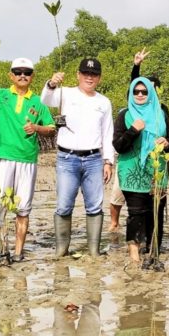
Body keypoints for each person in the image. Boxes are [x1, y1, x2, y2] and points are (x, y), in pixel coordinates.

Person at [0, 58, 55, 262]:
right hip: (2, 158)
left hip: (27, 160)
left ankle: (17, 253)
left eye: (27, 72)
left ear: (32, 76)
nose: (22, 75)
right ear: (10, 76)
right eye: (18, 72)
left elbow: (51, 129)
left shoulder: (39, 103)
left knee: (23, 208)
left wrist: (37, 128)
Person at [42, 58, 115, 257]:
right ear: (78, 74)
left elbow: (107, 134)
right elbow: (45, 100)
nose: (89, 78)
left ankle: (94, 251)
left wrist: (108, 161)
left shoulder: (104, 102)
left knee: (94, 206)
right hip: (67, 158)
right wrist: (52, 83)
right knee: (64, 205)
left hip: (94, 159)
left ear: (99, 77)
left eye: (93, 74)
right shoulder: (65, 93)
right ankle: (61, 250)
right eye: (85, 73)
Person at [112, 77, 169, 263]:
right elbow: (118, 146)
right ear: (131, 94)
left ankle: (153, 249)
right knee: (136, 213)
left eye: (144, 91)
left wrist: (167, 143)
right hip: (132, 172)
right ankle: (134, 254)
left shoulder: (160, 114)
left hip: (157, 171)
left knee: (156, 211)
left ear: (151, 93)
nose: (140, 95)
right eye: (136, 91)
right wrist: (133, 130)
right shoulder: (125, 115)